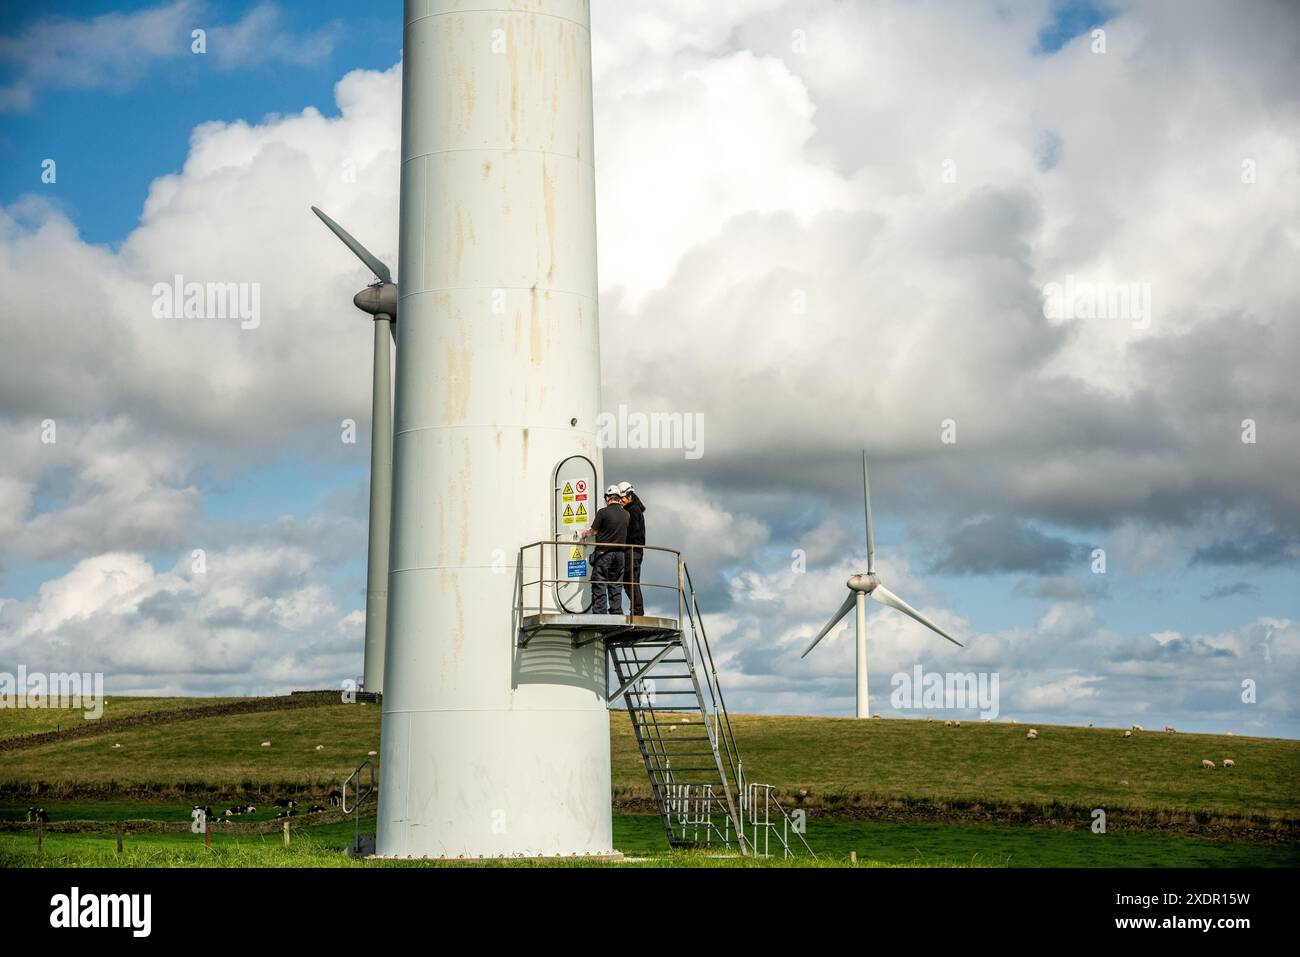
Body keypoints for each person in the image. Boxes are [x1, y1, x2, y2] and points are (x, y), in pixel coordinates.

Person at [580, 485, 630, 614]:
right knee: (616, 584)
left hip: (604, 553)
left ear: (607, 498)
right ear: (618, 498)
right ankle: (616, 611)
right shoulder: (626, 514)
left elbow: (594, 531)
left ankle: (600, 611)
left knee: (600, 582)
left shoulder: (603, 512)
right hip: (620, 554)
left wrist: (585, 534)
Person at [617, 481, 646, 616]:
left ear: (629, 496)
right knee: (630, 581)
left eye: (622, 497)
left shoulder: (632, 511)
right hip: (634, 551)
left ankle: (637, 611)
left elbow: (632, 533)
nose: (620, 500)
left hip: (632, 551)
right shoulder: (633, 509)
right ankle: (636, 610)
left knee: (630, 581)